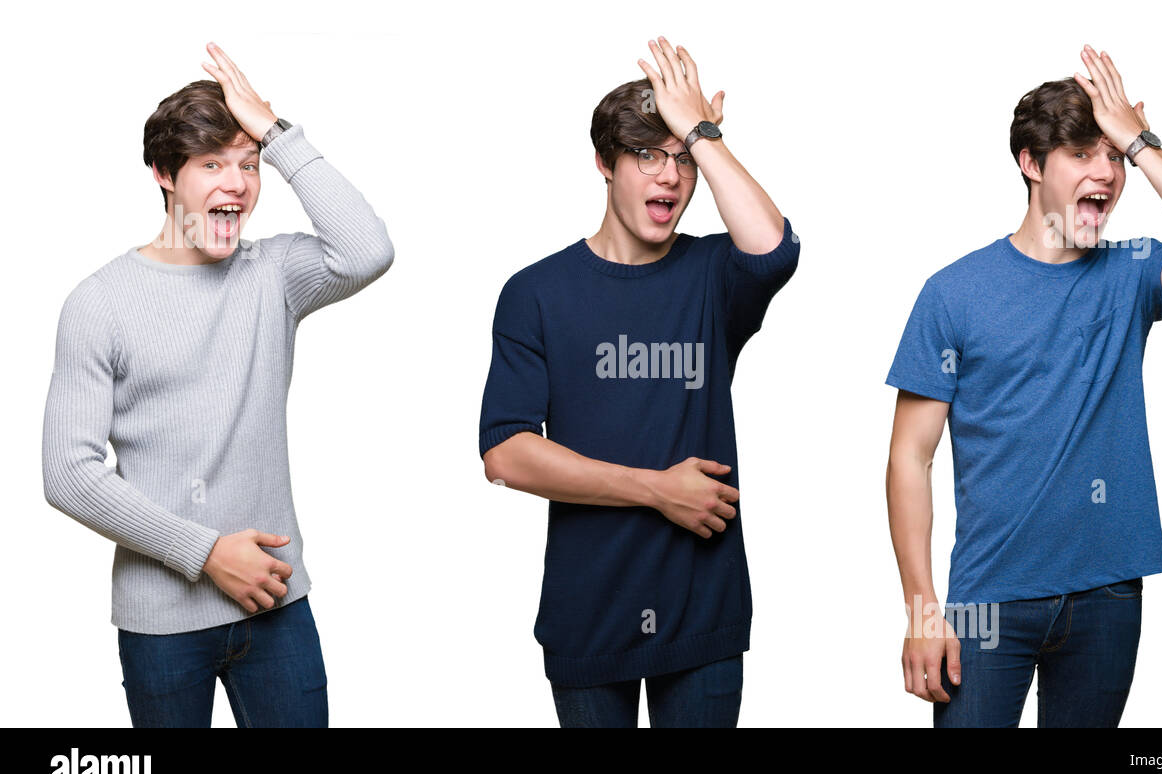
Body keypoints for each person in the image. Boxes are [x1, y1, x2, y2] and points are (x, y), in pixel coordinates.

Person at [885, 45, 1162, 728]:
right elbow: (911, 457)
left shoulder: (1134, 273)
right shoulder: (953, 293)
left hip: (1107, 594)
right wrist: (920, 608)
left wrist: (1140, 143)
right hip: (987, 601)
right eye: (1084, 154)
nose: (1106, 173)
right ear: (1031, 163)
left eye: (1112, 159)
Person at [41, 42, 395, 727]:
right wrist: (205, 554)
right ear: (164, 175)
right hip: (163, 623)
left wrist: (278, 133)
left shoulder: (276, 276)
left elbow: (368, 249)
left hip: (276, 604)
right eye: (212, 164)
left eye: (249, 164)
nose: (237, 183)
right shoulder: (100, 303)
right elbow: (67, 473)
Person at [478, 37, 799, 727]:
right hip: (588, 615)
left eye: (681, 159)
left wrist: (703, 133)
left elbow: (775, 248)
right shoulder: (536, 293)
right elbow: (505, 452)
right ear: (604, 162)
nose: (670, 177)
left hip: (702, 614)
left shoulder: (713, 276)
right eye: (648, 156)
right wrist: (657, 490)